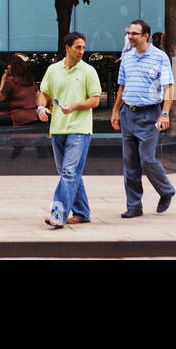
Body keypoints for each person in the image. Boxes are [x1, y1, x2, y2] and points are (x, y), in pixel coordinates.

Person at [37, 31, 103, 229]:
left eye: (83, 47)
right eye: (78, 47)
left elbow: (95, 99)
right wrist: (41, 106)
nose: (82, 51)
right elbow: (44, 93)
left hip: (80, 130)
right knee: (70, 173)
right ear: (67, 48)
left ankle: (58, 214)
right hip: (57, 128)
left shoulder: (89, 71)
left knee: (68, 172)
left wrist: (74, 106)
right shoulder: (53, 70)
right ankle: (82, 213)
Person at [112, 19, 176, 217]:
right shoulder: (127, 58)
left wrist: (165, 113)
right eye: (128, 33)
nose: (130, 37)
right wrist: (115, 111)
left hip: (150, 114)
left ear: (145, 35)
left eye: (134, 34)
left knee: (147, 159)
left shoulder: (160, 57)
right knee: (130, 163)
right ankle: (134, 206)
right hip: (128, 114)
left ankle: (166, 190)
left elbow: (169, 87)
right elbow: (121, 87)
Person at [0, 56, 41, 127]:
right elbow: (38, 93)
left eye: (8, 65)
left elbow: (0, 98)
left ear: (12, 67)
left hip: (18, 116)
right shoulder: (29, 79)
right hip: (33, 115)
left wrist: (3, 79)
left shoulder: (11, 81)